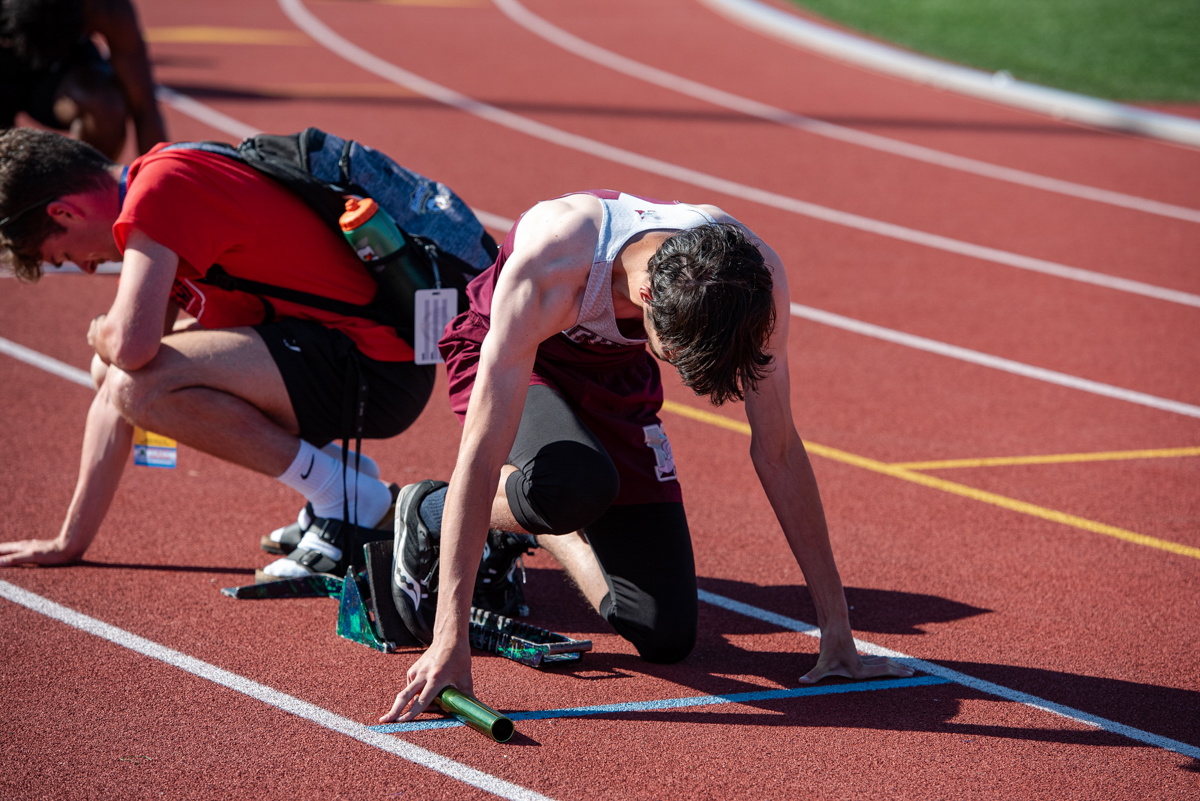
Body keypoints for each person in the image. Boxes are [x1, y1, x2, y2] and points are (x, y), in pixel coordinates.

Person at [382, 190, 915, 723]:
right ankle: (429, 508)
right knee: (574, 483)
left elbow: (776, 449)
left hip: (615, 377)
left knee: (665, 633)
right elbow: (479, 455)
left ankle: (542, 519)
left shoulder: (753, 281)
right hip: (518, 355)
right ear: (644, 294)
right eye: (675, 355)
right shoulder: (553, 261)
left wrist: (838, 633)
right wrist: (447, 638)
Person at [0, 128, 467, 575]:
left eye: (61, 257)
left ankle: (345, 499)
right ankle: (345, 476)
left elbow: (130, 347)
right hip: (356, 356)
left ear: (64, 213)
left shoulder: (159, 190)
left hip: (376, 369)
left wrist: (100, 332)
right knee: (118, 380)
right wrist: (69, 541)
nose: (84, 269)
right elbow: (120, 377)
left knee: (138, 384)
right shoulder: (159, 183)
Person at [1, 0, 166, 158]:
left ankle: (85, 182)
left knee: (105, 107)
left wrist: (162, 176)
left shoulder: (105, 8)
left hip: (55, 75)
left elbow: (144, 106)